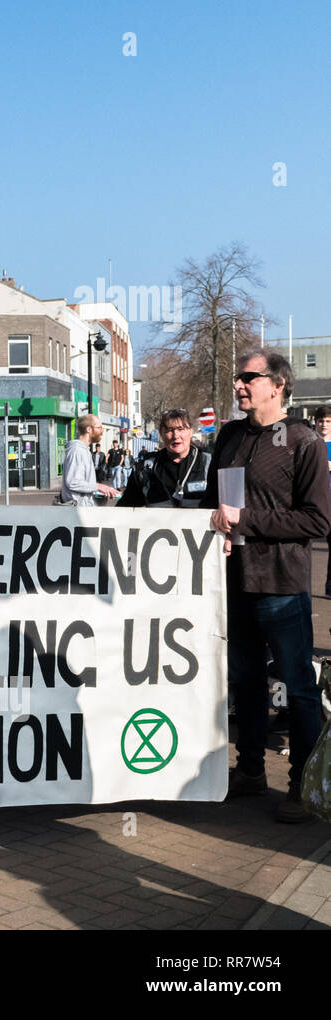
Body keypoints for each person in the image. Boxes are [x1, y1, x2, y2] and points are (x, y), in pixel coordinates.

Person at [205, 350, 331, 823]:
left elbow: (317, 518)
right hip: (234, 583)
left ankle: (302, 784)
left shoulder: (302, 441)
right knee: (245, 681)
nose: (238, 384)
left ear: (276, 384)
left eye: (247, 378)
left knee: (298, 686)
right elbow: (211, 503)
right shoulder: (231, 436)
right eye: (237, 377)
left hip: (281, 582)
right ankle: (251, 771)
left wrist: (246, 520)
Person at [117, 410, 210, 508]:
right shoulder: (145, 468)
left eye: (181, 429)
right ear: (161, 433)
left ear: (190, 432)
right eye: (169, 430)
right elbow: (125, 509)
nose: (175, 436)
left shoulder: (209, 464)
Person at [60, 415, 119, 505]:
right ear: (89, 429)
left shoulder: (84, 450)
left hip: (83, 510)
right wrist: (99, 487)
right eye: (99, 427)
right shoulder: (77, 450)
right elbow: (73, 482)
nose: (102, 431)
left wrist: (100, 494)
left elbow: (83, 485)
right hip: (78, 512)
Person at [314, 405, 331, 593]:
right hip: (312, 502)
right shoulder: (309, 442)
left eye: (328, 421)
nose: (324, 425)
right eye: (321, 421)